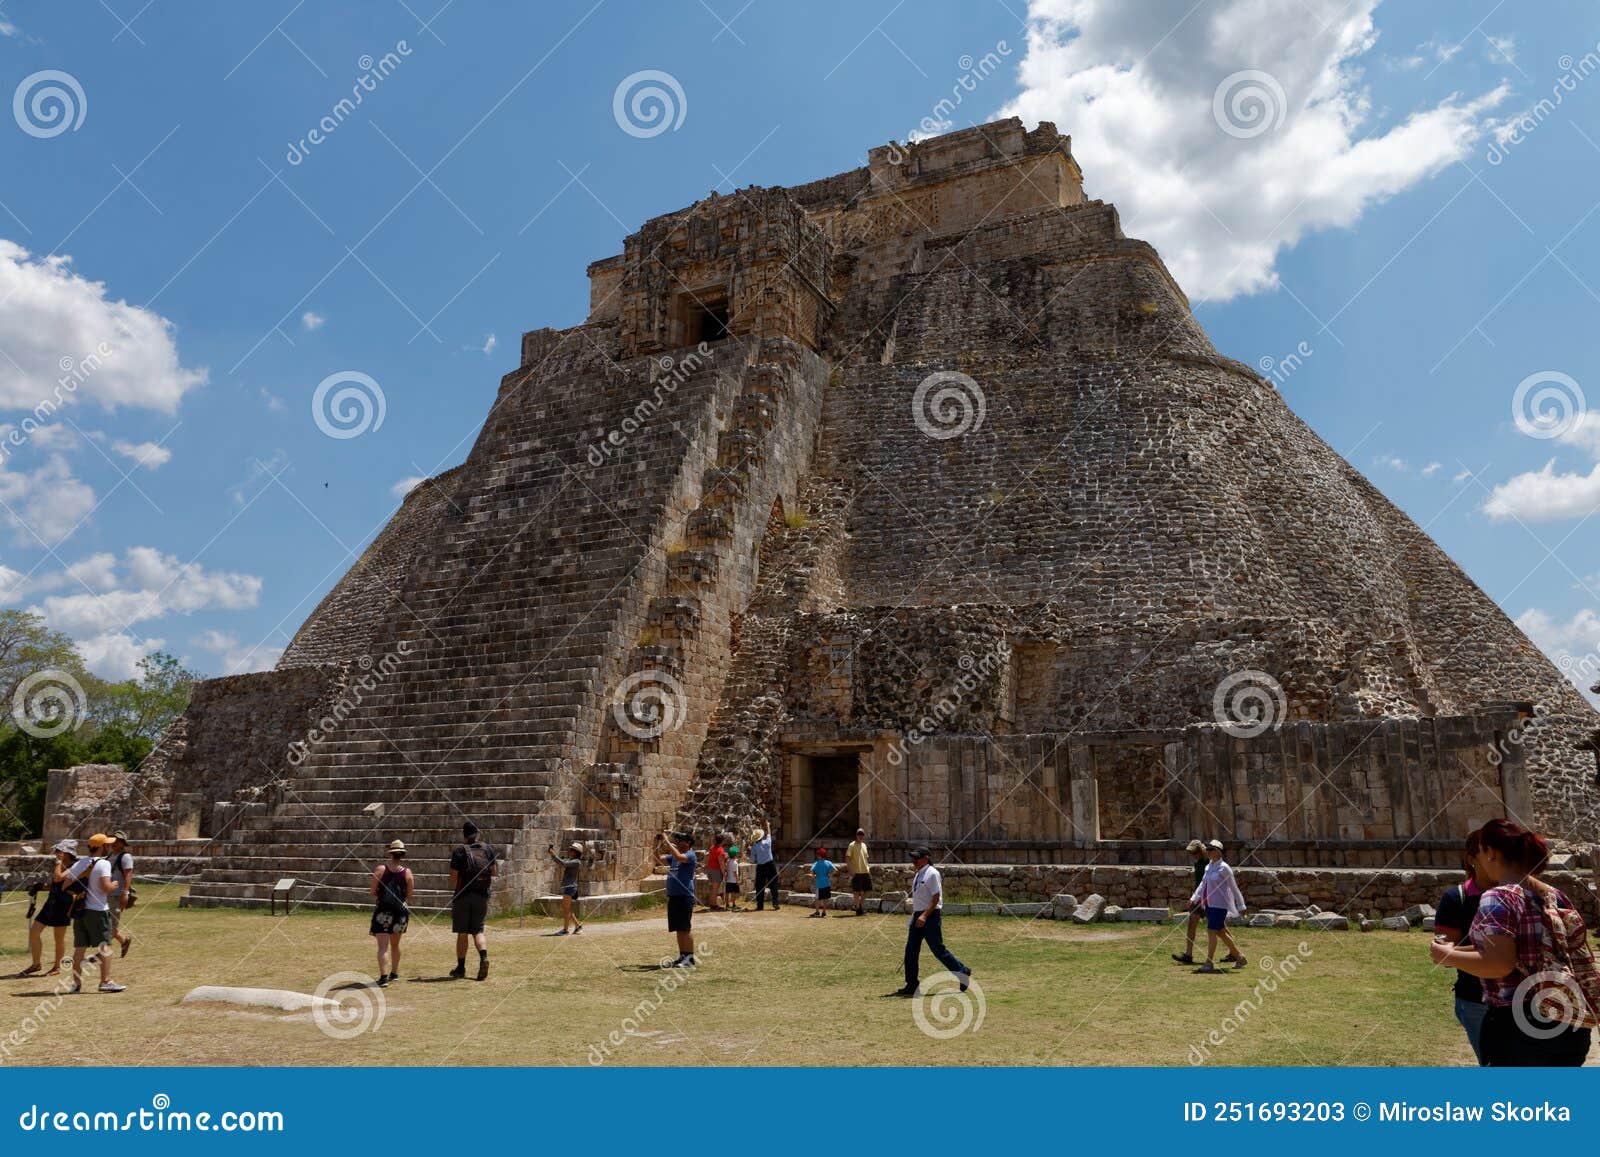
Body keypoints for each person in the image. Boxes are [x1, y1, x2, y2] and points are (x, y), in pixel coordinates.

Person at [1431, 819, 1595, 1066]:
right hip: (1567, 1018)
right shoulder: (1553, 895)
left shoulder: (1498, 897)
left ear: (1491, 853)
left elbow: (1499, 964)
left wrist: (1447, 955)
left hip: (1522, 1026)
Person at [1433, 828, 1491, 1064]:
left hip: (1527, 1000)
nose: (1496, 860)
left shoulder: (1525, 895)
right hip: (1477, 1000)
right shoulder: (1456, 899)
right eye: (1489, 852)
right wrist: (1492, 952)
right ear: (1471, 858)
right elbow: (1443, 954)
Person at [895, 846, 971, 997]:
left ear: (927, 857)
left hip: (930, 916)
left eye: (917, 857)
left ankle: (962, 972)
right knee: (910, 951)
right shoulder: (919, 874)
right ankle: (912, 984)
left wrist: (924, 916)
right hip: (918, 915)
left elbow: (936, 898)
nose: (914, 861)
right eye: (913, 858)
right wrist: (916, 916)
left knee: (938, 950)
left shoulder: (932, 873)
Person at [63, 833, 123, 994]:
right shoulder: (103, 864)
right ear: (103, 847)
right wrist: (114, 885)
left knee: (79, 948)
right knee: (106, 947)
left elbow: (65, 884)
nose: (110, 847)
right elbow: (105, 887)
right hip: (98, 910)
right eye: (107, 845)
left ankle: (76, 984)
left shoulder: (81, 863)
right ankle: (105, 981)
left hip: (80, 910)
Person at [20, 841, 77, 977]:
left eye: (59, 851)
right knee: (34, 932)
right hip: (51, 903)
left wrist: (58, 862)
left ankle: (57, 967)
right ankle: (36, 964)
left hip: (64, 905)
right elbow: (55, 884)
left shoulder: (75, 866)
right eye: (57, 850)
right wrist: (41, 887)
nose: (56, 853)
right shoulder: (60, 865)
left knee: (58, 938)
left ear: (67, 852)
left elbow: (58, 878)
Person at [1190, 838, 1246, 973]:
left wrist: (1241, 906)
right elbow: (1203, 884)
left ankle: (1209, 962)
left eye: (1211, 850)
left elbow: (1234, 888)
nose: (1208, 852)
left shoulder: (1224, 868)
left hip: (1220, 905)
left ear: (1218, 852)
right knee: (1220, 932)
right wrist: (1194, 898)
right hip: (1209, 904)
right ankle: (1240, 957)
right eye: (1207, 849)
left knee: (1211, 931)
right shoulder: (1208, 866)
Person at [448, 822, 496, 980]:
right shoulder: (487, 849)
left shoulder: (460, 850)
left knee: (462, 933)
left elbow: (454, 877)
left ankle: (461, 968)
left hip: (463, 896)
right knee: (478, 931)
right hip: (481, 895)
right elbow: (494, 872)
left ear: (464, 834)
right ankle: (483, 957)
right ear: (477, 833)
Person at [369, 840, 413, 987]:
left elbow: (372, 891)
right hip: (400, 911)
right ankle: (394, 973)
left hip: (383, 910)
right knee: (396, 944)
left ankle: (383, 977)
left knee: (383, 946)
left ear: (390, 853)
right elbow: (409, 893)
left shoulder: (381, 869)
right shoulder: (407, 872)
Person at [657, 830, 698, 967]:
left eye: (681, 840)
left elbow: (680, 857)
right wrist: (656, 843)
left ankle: (690, 959)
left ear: (688, 843)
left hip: (684, 896)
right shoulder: (674, 856)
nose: (679, 842)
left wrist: (667, 841)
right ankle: (683, 956)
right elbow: (658, 858)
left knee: (685, 928)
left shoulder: (690, 855)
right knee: (678, 929)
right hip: (674, 896)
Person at [1171, 838, 1210, 965]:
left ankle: (1233, 952)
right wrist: (1194, 897)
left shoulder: (1209, 862)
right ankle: (1188, 954)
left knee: (1218, 928)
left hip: (1210, 897)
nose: (1193, 856)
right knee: (1192, 922)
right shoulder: (1197, 863)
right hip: (1198, 897)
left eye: (1195, 853)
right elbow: (1199, 882)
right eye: (1192, 853)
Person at [108, 832, 135, 959]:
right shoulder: (110, 855)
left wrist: (125, 893)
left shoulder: (125, 857)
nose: (114, 842)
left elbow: (128, 875)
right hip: (108, 894)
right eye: (113, 840)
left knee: (111, 925)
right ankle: (124, 941)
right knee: (106, 924)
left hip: (117, 895)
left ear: (123, 843)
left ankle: (102, 953)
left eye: (117, 841)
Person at [548, 842, 584, 935]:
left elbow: (563, 863)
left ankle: (565, 930)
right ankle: (577, 926)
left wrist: (553, 854)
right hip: (569, 887)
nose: (570, 851)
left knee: (566, 909)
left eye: (572, 850)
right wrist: (553, 855)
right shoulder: (573, 860)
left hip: (570, 887)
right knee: (566, 908)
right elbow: (561, 862)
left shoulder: (576, 862)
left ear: (577, 852)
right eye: (570, 850)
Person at [749, 814, 779, 911]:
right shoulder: (767, 842)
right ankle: (775, 902)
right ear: (762, 836)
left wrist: (757, 859)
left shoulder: (754, 847)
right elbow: (769, 834)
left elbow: (752, 860)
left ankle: (760, 905)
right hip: (770, 864)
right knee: (773, 884)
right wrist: (768, 825)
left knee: (759, 886)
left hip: (761, 866)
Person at [846, 827, 872, 916]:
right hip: (856, 872)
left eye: (862, 834)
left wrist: (868, 869)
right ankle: (858, 909)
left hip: (865, 871)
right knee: (856, 891)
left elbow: (866, 858)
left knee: (868, 890)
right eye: (859, 834)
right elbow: (847, 858)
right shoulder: (852, 845)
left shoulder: (864, 845)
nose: (860, 836)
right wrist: (851, 870)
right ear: (856, 835)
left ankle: (859, 905)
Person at [809, 847, 841, 917]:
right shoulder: (828, 862)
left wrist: (814, 877)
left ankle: (817, 911)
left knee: (817, 898)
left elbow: (811, 871)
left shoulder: (816, 863)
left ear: (819, 855)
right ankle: (824, 912)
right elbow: (836, 870)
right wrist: (830, 875)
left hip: (819, 883)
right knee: (825, 898)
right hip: (826, 882)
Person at [705, 833, 728, 912]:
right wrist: (724, 873)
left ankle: (712, 904)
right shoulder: (720, 850)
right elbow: (721, 863)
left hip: (710, 869)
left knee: (712, 888)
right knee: (715, 888)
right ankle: (713, 905)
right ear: (722, 841)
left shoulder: (712, 847)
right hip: (716, 870)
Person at [725, 844, 742, 911]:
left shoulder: (728, 861)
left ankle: (727, 904)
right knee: (734, 893)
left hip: (728, 880)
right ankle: (734, 904)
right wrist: (738, 880)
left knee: (727, 892)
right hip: (733, 880)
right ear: (735, 854)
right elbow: (735, 872)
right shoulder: (735, 863)